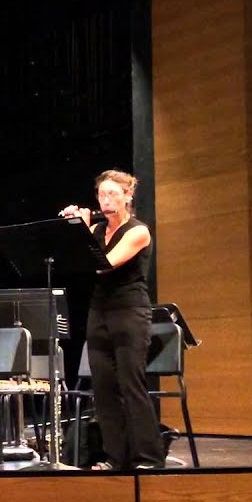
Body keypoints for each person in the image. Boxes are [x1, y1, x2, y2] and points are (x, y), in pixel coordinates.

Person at [60, 170, 162, 469]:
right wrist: (74, 228)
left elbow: (105, 264)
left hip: (130, 312)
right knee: (103, 388)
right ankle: (115, 457)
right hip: (99, 311)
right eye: (102, 195)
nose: (106, 200)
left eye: (113, 194)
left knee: (131, 385)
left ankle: (148, 457)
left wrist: (83, 227)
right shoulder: (96, 230)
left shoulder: (138, 231)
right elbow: (74, 260)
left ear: (128, 196)